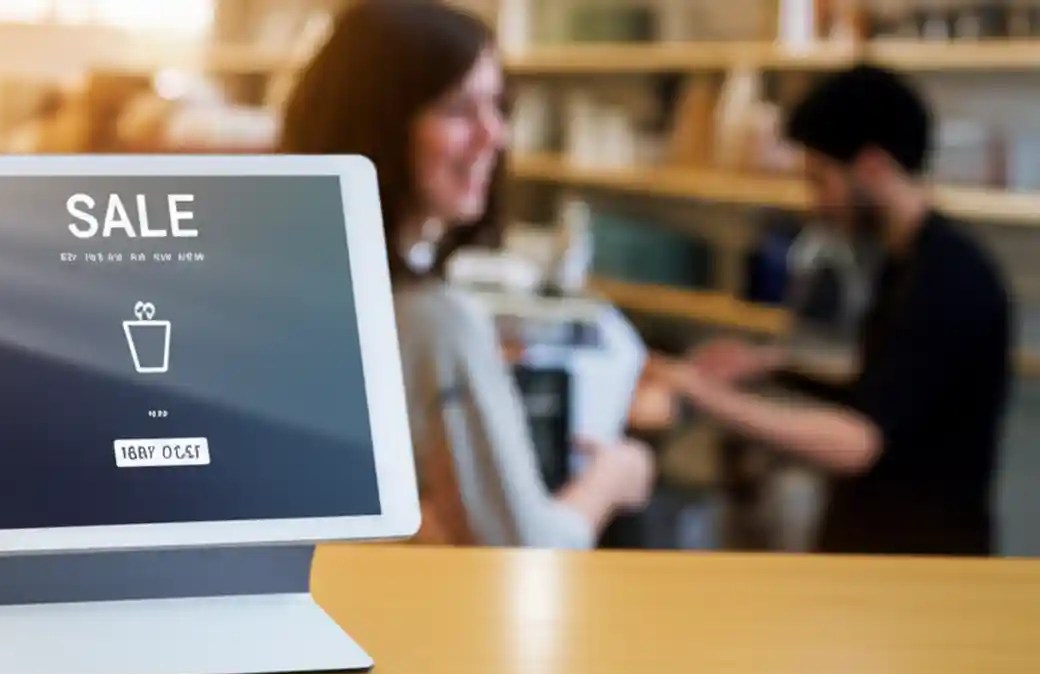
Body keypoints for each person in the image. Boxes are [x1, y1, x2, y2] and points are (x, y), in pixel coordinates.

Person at [280, 0, 654, 548]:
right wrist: (612, 479)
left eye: (496, 106)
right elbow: (525, 548)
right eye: (459, 109)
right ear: (381, 125)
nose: (494, 135)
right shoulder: (431, 321)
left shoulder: (293, 283)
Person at [666, 65, 1013, 556]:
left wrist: (705, 395)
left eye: (820, 180)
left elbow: (858, 442)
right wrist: (773, 366)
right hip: (883, 548)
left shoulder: (949, 278)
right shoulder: (905, 257)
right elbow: (884, 388)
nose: (816, 203)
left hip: (920, 562)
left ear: (870, 167)